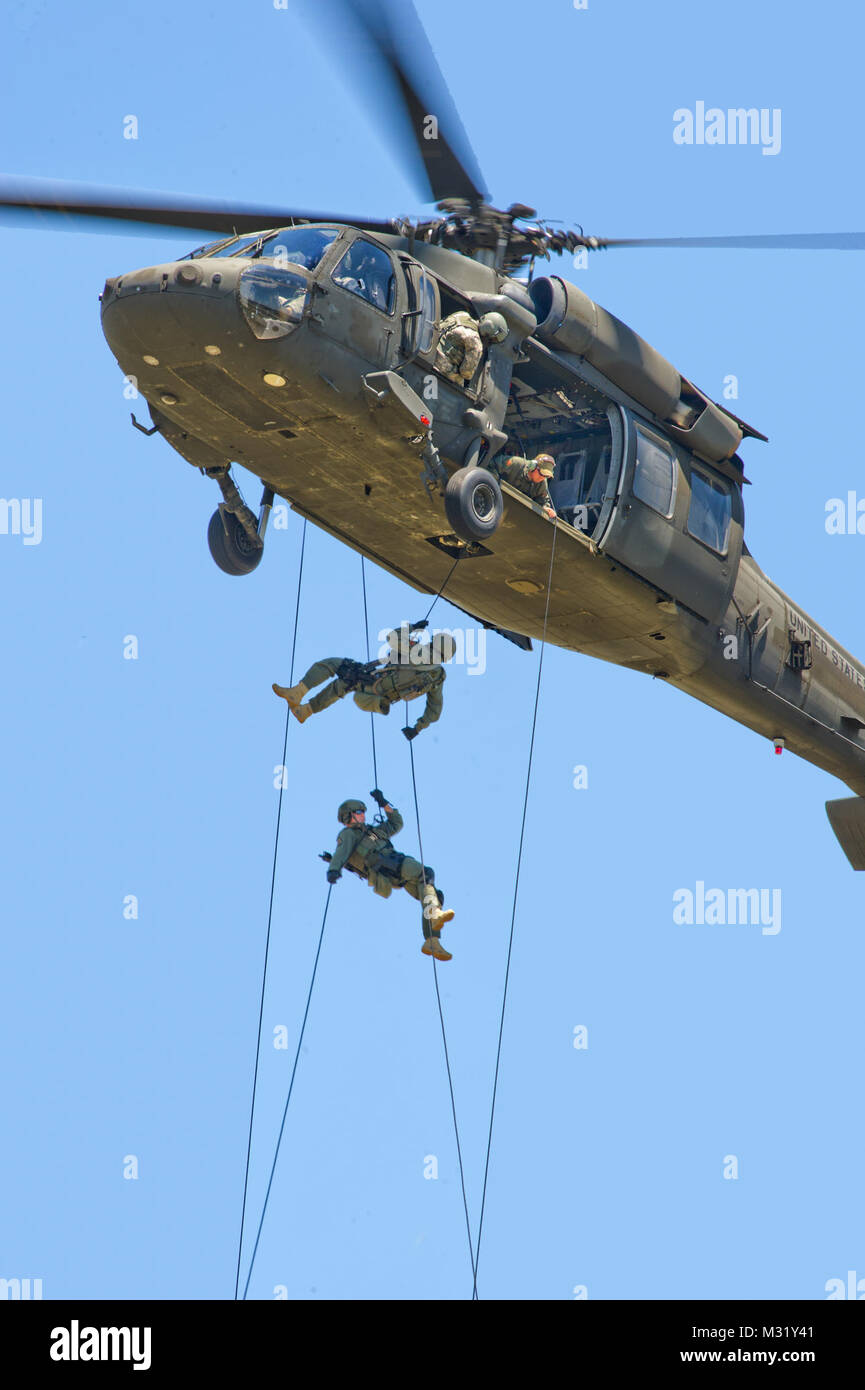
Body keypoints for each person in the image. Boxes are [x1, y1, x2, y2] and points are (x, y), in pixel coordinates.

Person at [324, 792, 455, 960]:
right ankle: (435, 915)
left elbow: (396, 823)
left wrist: (384, 803)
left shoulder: (374, 832)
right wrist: (333, 870)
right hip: (390, 867)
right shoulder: (349, 835)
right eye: (358, 812)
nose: (363, 814)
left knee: (431, 893)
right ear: (348, 816)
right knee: (426, 873)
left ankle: (432, 938)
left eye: (363, 811)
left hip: (395, 870)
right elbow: (340, 853)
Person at [273, 626, 457, 740]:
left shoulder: (418, 651)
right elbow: (434, 710)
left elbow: (391, 638)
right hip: (380, 697)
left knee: (334, 665)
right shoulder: (438, 676)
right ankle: (304, 711)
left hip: (375, 680)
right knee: (343, 685)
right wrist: (417, 729)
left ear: (436, 644)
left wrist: (412, 628)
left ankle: (298, 693)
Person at [434, 311, 508, 386]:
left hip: (428, 348)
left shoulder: (462, 315)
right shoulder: (475, 342)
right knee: (460, 382)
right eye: (491, 340)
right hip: (439, 367)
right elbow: (466, 373)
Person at [491, 453, 557, 519]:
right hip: (493, 498)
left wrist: (546, 508)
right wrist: (495, 484)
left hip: (510, 512)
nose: (542, 478)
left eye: (546, 476)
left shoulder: (542, 483)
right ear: (533, 466)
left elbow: (543, 501)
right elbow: (492, 465)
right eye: (541, 474)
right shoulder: (515, 463)